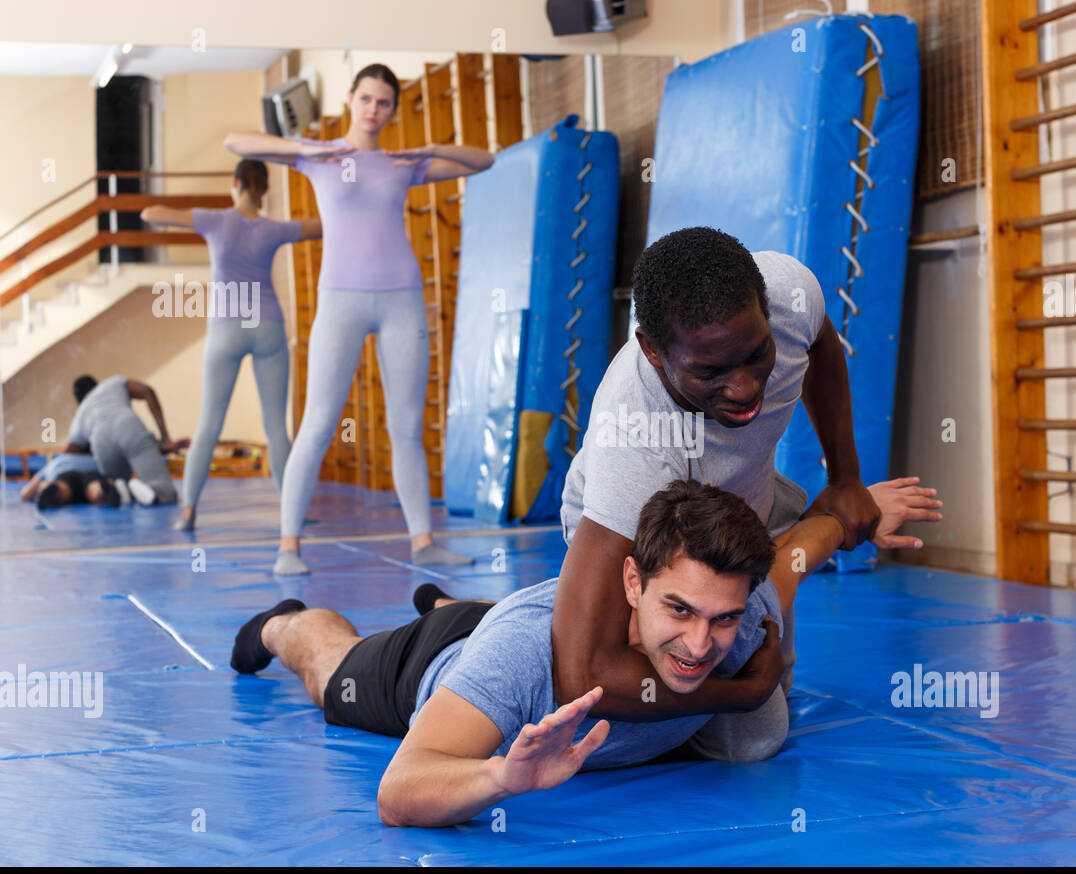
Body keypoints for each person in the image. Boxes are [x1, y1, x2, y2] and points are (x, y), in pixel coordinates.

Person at [229, 479, 848, 827]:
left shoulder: (745, 612)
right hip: (439, 662)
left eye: (722, 620)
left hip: (502, 625)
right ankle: (287, 622)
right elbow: (398, 792)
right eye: (679, 610)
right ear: (632, 582)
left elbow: (803, 547)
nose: (698, 645)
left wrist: (856, 511)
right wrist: (501, 775)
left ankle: (448, 603)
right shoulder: (520, 658)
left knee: (492, 623)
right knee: (329, 670)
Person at [553, 226, 944, 762]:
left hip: (748, 499)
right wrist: (741, 693)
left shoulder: (788, 295)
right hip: (644, 527)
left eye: (756, 355)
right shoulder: (634, 442)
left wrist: (847, 480)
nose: (743, 389)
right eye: (710, 371)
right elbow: (583, 673)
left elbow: (822, 345)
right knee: (749, 733)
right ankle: (498, 620)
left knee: (757, 714)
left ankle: (825, 524)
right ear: (651, 350)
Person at [223, 63, 495, 575]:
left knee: (406, 427)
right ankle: (288, 546)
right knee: (318, 423)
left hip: (402, 300)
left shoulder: (402, 164)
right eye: (366, 99)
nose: (374, 110)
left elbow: (484, 160)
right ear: (350, 98)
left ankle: (423, 541)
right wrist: (304, 149)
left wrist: (427, 151)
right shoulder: (322, 158)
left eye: (384, 103)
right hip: (340, 303)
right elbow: (235, 142)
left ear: (393, 109)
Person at [141, 161, 322, 532]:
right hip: (267, 325)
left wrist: (189, 214)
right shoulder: (273, 229)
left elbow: (151, 213)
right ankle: (294, 514)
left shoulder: (215, 220)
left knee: (209, 424)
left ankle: (189, 512)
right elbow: (320, 227)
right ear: (265, 190)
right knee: (276, 428)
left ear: (235, 182)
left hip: (226, 329)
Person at [62, 374, 187, 506]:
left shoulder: (80, 415)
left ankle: (123, 488)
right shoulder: (113, 383)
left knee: (117, 488)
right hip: (127, 425)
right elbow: (147, 391)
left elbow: (71, 454)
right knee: (165, 492)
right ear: (96, 383)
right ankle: (153, 489)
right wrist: (165, 437)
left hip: (99, 440)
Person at [20, 454, 122, 510]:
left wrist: (37, 490)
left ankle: (53, 489)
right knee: (94, 487)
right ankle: (102, 489)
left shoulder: (58, 461)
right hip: (92, 472)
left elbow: (26, 493)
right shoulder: (96, 458)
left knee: (62, 488)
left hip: (65, 475)